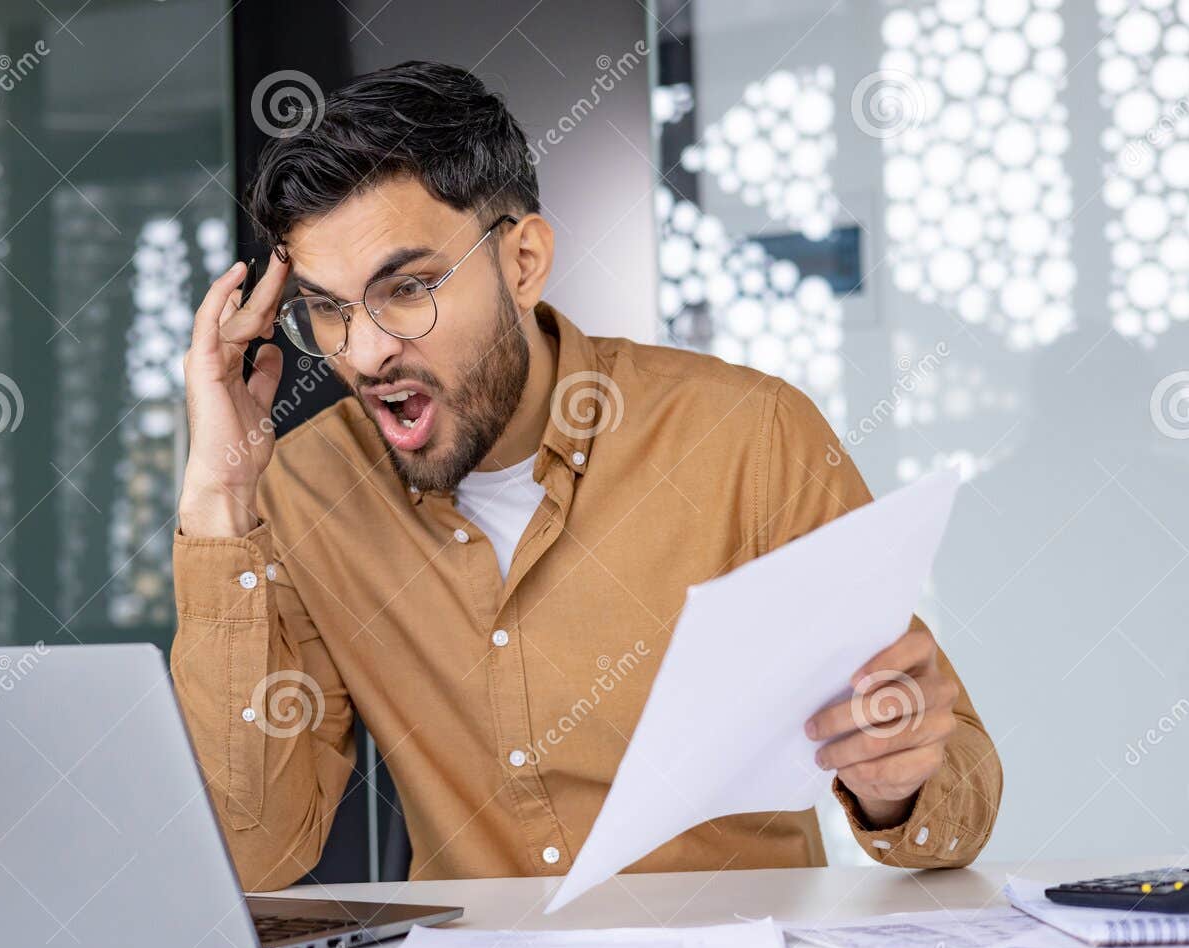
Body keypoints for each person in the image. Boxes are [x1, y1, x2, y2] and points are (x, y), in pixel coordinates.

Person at [170, 60, 1001, 891]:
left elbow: (954, 806)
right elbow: (257, 852)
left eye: (409, 288)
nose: (365, 351)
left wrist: (897, 781)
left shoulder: (749, 437)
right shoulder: (305, 490)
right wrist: (216, 498)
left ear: (524, 261)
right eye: (329, 308)